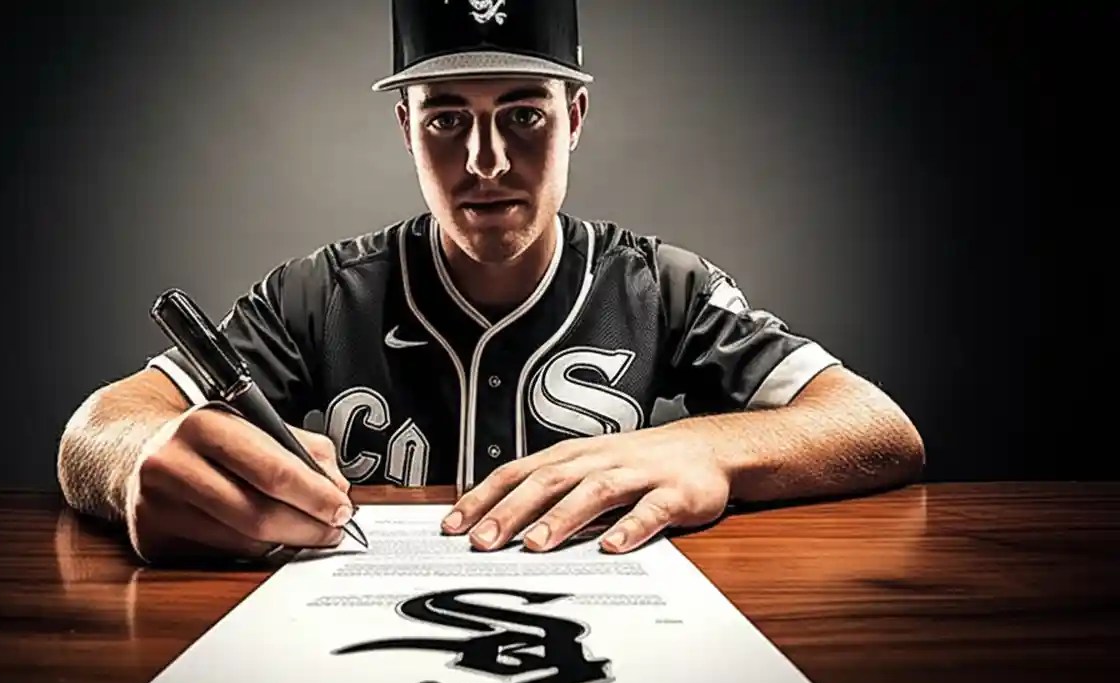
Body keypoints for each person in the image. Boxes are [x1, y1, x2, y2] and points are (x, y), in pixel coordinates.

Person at [57, 0, 925, 564]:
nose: (485, 162)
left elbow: (879, 427)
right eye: (446, 119)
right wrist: (137, 462)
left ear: (574, 117)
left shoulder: (661, 284)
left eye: (523, 114)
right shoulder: (322, 292)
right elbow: (99, 426)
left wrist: (704, 447)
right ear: (405, 127)